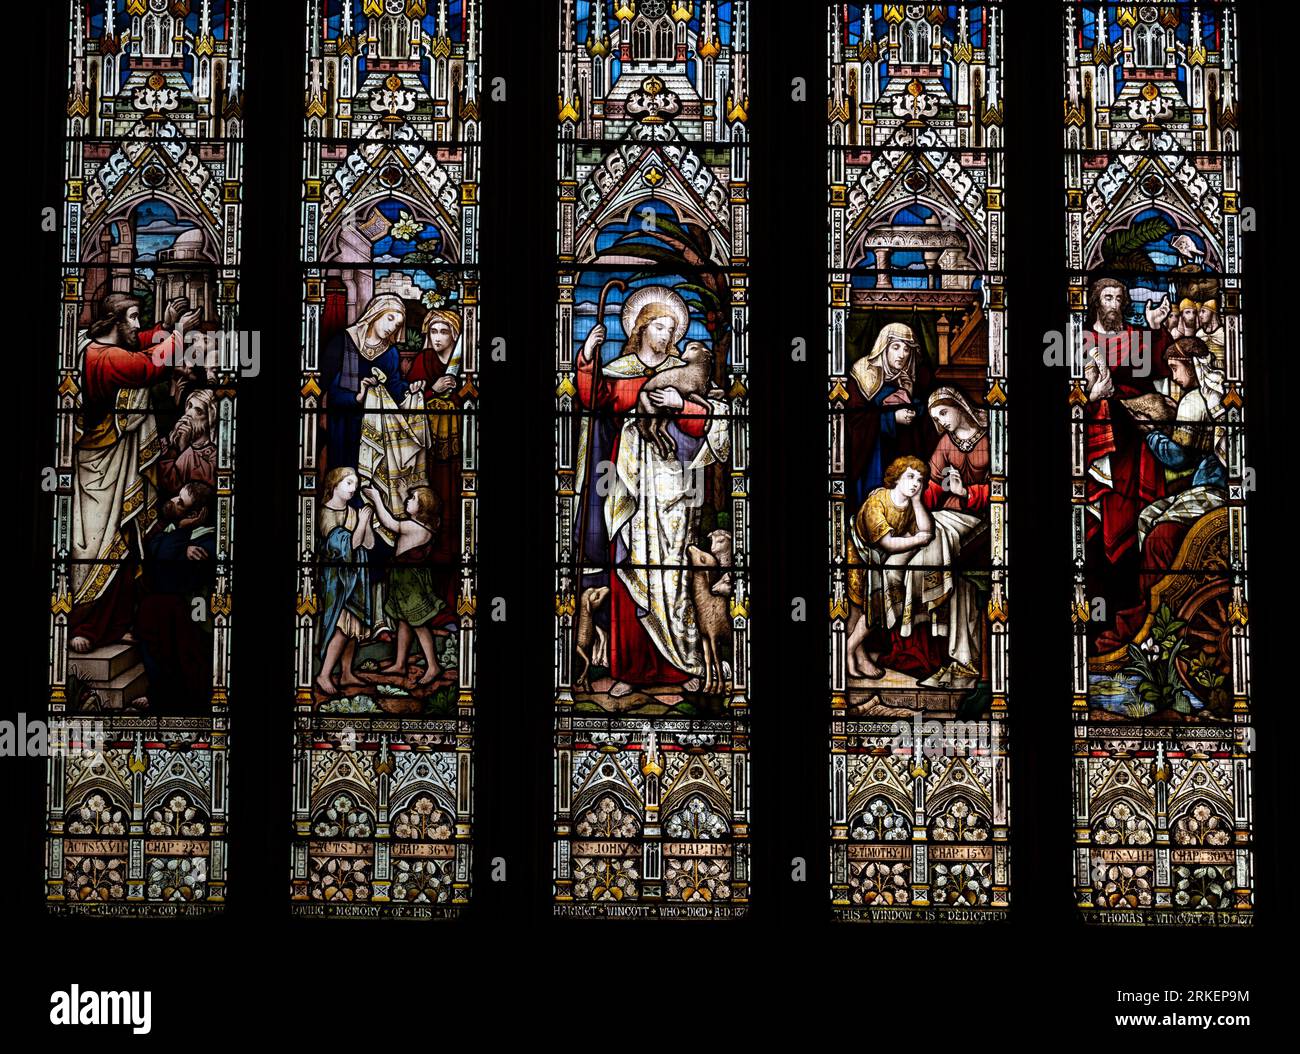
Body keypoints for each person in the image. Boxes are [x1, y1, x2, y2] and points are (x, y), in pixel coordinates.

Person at [575, 286, 730, 698]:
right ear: (641, 328)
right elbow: (596, 401)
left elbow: (708, 422)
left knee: (676, 578)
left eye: (671, 327)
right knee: (631, 571)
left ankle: (683, 665)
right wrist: (588, 358)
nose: (665, 334)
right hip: (628, 483)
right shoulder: (621, 369)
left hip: (675, 489)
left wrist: (681, 405)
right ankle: (631, 669)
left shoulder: (684, 372)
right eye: (658, 326)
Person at [70, 293, 200, 653]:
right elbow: (145, 368)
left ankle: (117, 622)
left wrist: (164, 324)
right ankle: (87, 624)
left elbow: (140, 344)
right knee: (96, 546)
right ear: (114, 323)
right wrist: (175, 333)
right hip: (98, 469)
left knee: (124, 541)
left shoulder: (95, 344)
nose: (138, 325)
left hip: (113, 463)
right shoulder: (103, 357)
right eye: (132, 317)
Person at [846, 455, 984, 688]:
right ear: (895, 478)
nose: (915, 484)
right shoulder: (877, 502)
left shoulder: (910, 502)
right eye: (909, 477)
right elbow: (889, 543)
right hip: (859, 554)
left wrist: (918, 501)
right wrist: (916, 540)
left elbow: (927, 530)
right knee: (863, 606)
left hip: (880, 556)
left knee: (874, 605)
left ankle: (855, 654)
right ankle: (850, 653)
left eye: (920, 480)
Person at [319, 294, 423, 479]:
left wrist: (410, 390)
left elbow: (394, 388)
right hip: (344, 421)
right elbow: (329, 391)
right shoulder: (343, 341)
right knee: (344, 474)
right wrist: (357, 397)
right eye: (390, 318)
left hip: (376, 427)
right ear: (376, 313)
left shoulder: (390, 353)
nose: (392, 327)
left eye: (397, 324)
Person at [134, 481, 217, 711]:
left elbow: (181, 572)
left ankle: (182, 704)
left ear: (196, 514)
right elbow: (154, 551)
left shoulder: (208, 541)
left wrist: (182, 542)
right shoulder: (170, 532)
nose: (172, 501)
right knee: (158, 657)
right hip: (160, 609)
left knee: (186, 662)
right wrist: (182, 540)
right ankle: (158, 696)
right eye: (175, 496)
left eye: (180, 502)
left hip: (191, 612)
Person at [404, 308, 464, 611]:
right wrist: (430, 390)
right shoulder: (423, 361)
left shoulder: (466, 363)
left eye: (444, 332)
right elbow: (406, 404)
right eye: (433, 332)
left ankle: (455, 596)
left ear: (455, 335)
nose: (437, 338)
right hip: (426, 457)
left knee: (457, 517)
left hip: (460, 459)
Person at [362, 483, 445, 685]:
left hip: (410, 581)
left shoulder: (415, 527)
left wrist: (377, 499)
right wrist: (401, 493)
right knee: (404, 621)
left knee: (419, 623)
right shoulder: (424, 524)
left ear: (423, 507)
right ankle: (400, 664)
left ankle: (433, 666)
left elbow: (391, 523)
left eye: (413, 498)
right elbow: (404, 516)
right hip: (403, 578)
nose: (408, 500)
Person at [845, 322, 932, 509]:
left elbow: (923, 423)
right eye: (896, 347)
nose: (902, 354)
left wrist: (908, 397)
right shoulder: (862, 375)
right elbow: (854, 420)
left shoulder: (909, 377)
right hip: (871, 459)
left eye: (907, 349)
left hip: (899, 457)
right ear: (883, 347)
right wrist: (891, 419)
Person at [316, 468, 376, 694]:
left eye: (356, 484)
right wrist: (361, 523)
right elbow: (347, 546)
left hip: (357, 577)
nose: (354, 488)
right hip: (336, 580)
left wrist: (365, 522)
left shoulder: (353, 512)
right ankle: (324, 674)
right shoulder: (323, 514)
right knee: (341, 627)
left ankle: (347, 672)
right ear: (334, 485)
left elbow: (368, 544)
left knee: (354, 626)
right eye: (349, 483)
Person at [924, 387, 990, 515]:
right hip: (952, 509)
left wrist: (965, 492)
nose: (942, 422)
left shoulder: (990, 436)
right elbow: (935, 483)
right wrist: (914, 500)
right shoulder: (946, 441)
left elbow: (1001, 485)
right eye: (937, 419)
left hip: (987, 511)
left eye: (943, 413)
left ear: (959, 406)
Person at [159, 389, 217, 495]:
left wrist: (183, 449)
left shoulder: (215, 456)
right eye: (189, 406)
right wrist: (175, 447)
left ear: (210, 420)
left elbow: (174, 486)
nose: (189, 413)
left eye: (199, 411)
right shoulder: (169, 445)